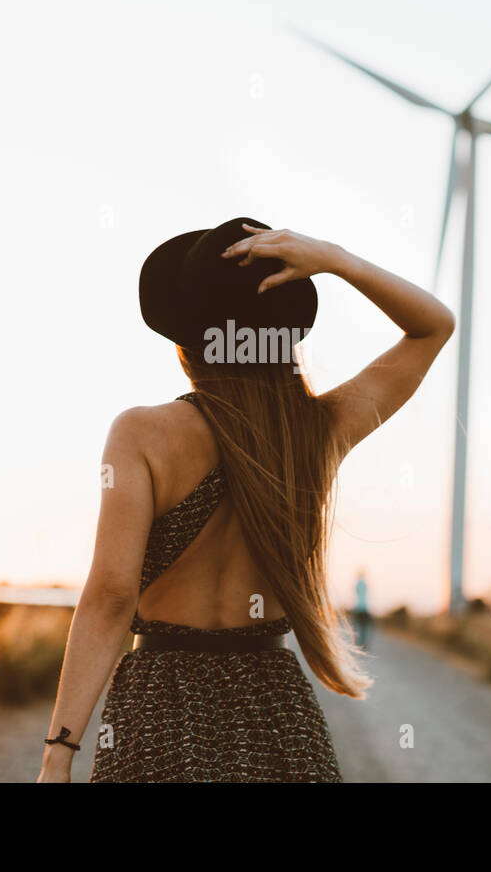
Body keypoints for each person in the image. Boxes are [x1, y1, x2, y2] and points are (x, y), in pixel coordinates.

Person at [38, 217, 453, 783]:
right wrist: (335, 259)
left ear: (188, 341)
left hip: (161, 711)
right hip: (276, 710)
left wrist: (59, 752)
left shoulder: (141, 434)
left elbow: (111, 597)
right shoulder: (318, 431)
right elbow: (433, 327)